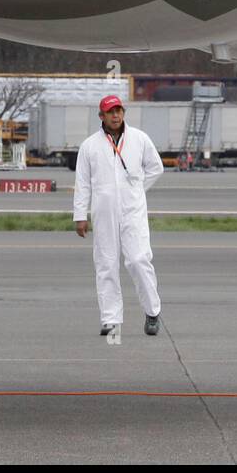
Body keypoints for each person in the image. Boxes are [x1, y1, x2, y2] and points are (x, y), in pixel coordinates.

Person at [73, 93, 164, 336]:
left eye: (118, 111)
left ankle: (152, 312)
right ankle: (111, 318)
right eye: (110, 112)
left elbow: (156, 168)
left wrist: (137, 190)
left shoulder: (139, 139)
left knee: (138, 259)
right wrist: (80, 215)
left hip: (133, 210)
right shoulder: (89, 146)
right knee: (106, 263)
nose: (115, 115)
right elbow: (82, 183)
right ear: (101, 116)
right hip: (103, 211)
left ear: (123, 113)